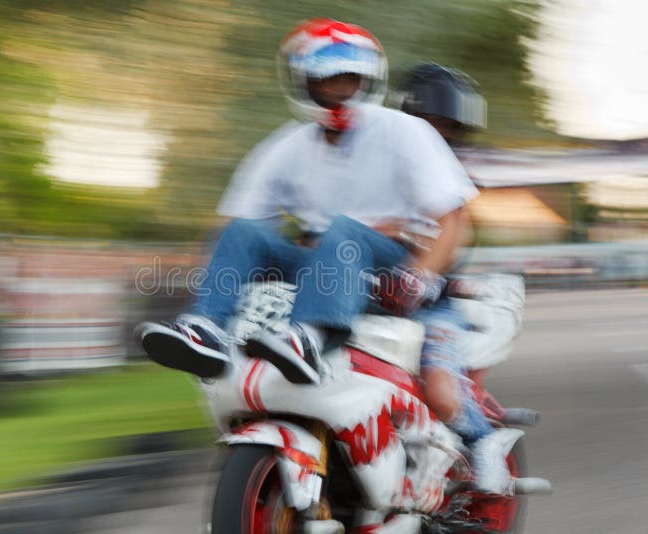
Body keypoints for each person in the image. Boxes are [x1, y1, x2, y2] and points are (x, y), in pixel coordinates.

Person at [140, 20, 508, 493]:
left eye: (347, 77)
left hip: (395, 273)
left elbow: (453, 220)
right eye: (324, 78)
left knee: (344, 236)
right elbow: (229, 232)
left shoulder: (407, 132)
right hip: (325, 275)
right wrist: (210, 280)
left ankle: (481, 444)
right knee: (243, 230)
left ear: (368, 81)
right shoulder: (284, 147)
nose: (337, 88)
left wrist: (417, 276)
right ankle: (206, 329)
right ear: (303, 83)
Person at [401, 63, 514, 495]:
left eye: (448, 125)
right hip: (368, 300)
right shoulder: (381, 164)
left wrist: (403, 237)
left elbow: (453, 233)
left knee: (442, 394)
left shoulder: (453, 178)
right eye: (431, 122)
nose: (439, 132)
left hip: (432, 305)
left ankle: (485, 443)